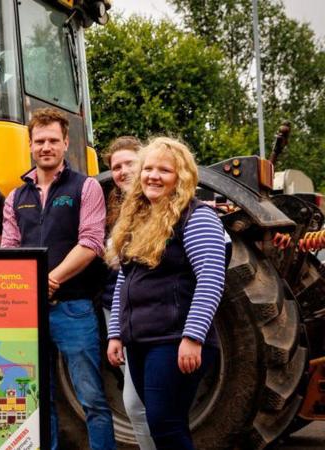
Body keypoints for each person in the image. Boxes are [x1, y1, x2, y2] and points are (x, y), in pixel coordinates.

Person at [1, 108, 115, 450]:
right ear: (30, 146)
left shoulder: (87, 187)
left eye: (53, 140)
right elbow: (9, 248)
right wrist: (31, 284)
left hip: (74, 308)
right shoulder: (15, 197)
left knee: (92, 397)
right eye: (39, 141)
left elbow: (91, 242)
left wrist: (49, 279)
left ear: (66, 143)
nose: (46, 147)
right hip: (27, 313)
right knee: (38, 399)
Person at [106, 137, 226, 450]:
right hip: (141, 341)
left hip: (174, 340)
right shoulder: (139, 220)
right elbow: (124, 281)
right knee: (163, 425)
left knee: (165, 424)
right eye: (148, 168)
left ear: (181, 178)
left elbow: (211, 279)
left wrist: (193, 337)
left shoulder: (197, 218)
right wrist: (115, 333)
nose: (153, 176)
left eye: (164, 170)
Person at [100, 137, 155, 450]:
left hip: (149, 315)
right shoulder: (115, 209)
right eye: (116, 166)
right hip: (116, 311)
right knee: (139, 401)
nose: (122, 171)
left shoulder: (158, 205)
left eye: (128, 163)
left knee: (141, 402)